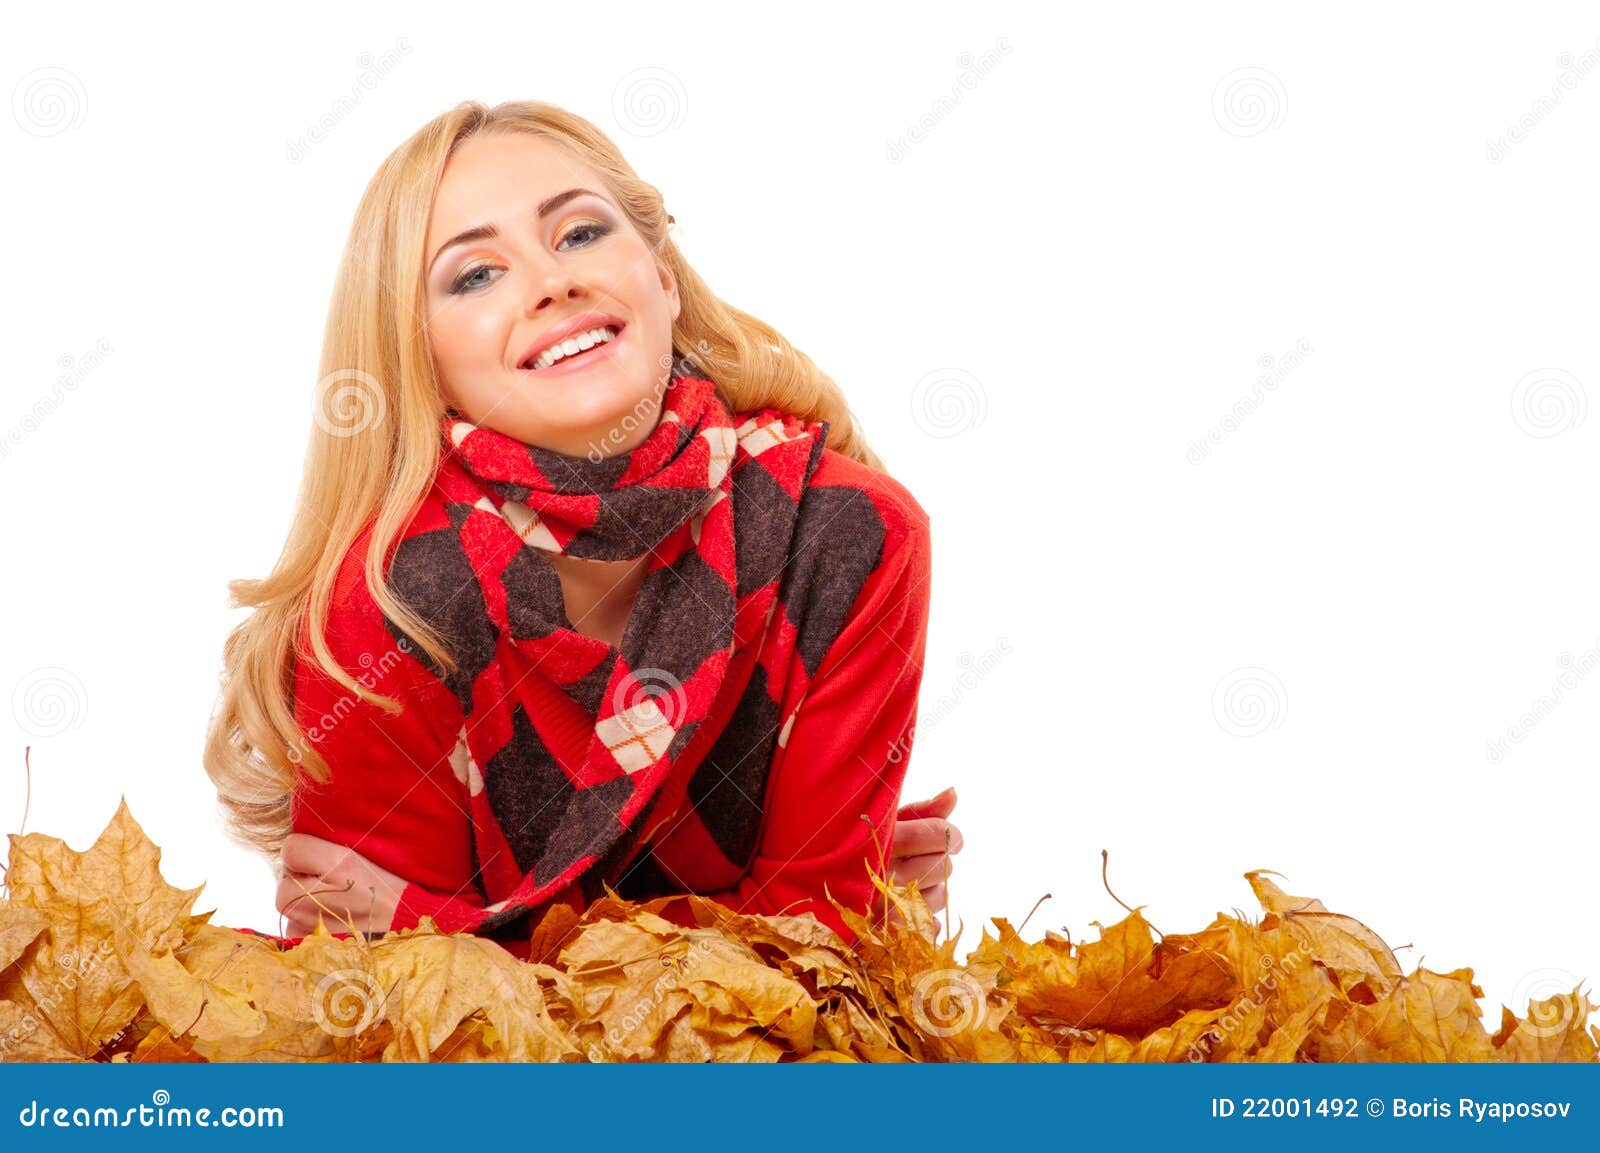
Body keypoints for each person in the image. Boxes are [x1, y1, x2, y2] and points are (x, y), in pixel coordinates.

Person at [203, 100, 962, 958]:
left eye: (579, 234)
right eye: (476, 275)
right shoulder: (384, 601)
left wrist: (456, 931)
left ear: (663, 278)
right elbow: (392, 1009)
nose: (551, 280)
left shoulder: (852, 535)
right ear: (422, 362)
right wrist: (779, 910)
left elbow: (819, 960)